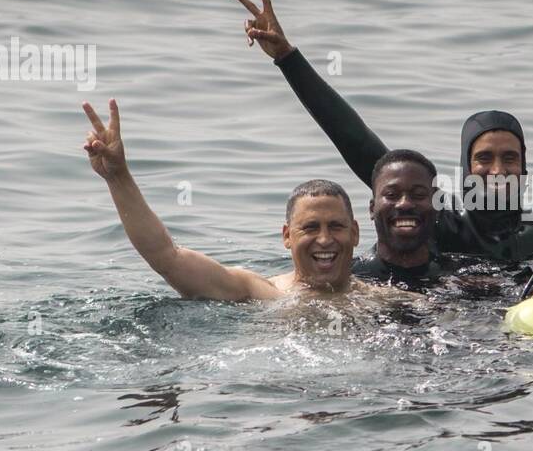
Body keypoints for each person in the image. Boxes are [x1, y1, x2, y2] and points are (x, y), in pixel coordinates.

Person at [233, 0, 533, 263]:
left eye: (509, 158)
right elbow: (355, 140)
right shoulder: (435, 219)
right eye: (484, 158)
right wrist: (287, 58)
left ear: (524, 169)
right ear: (466, 166)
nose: (497, 170)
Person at [81, 99, 366, 300]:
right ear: (287, 235)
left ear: (354, 233)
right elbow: (166, 257)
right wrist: (118, 177)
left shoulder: (388, 302)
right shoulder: (261, 293)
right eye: (311, 227)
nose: (325, 239)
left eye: (336, 227)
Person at [352, 148, 444, 287]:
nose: (404, 204)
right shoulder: (350, 278)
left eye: (418, 195)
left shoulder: (462, 277)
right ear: (372, 208)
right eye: (391, 195)